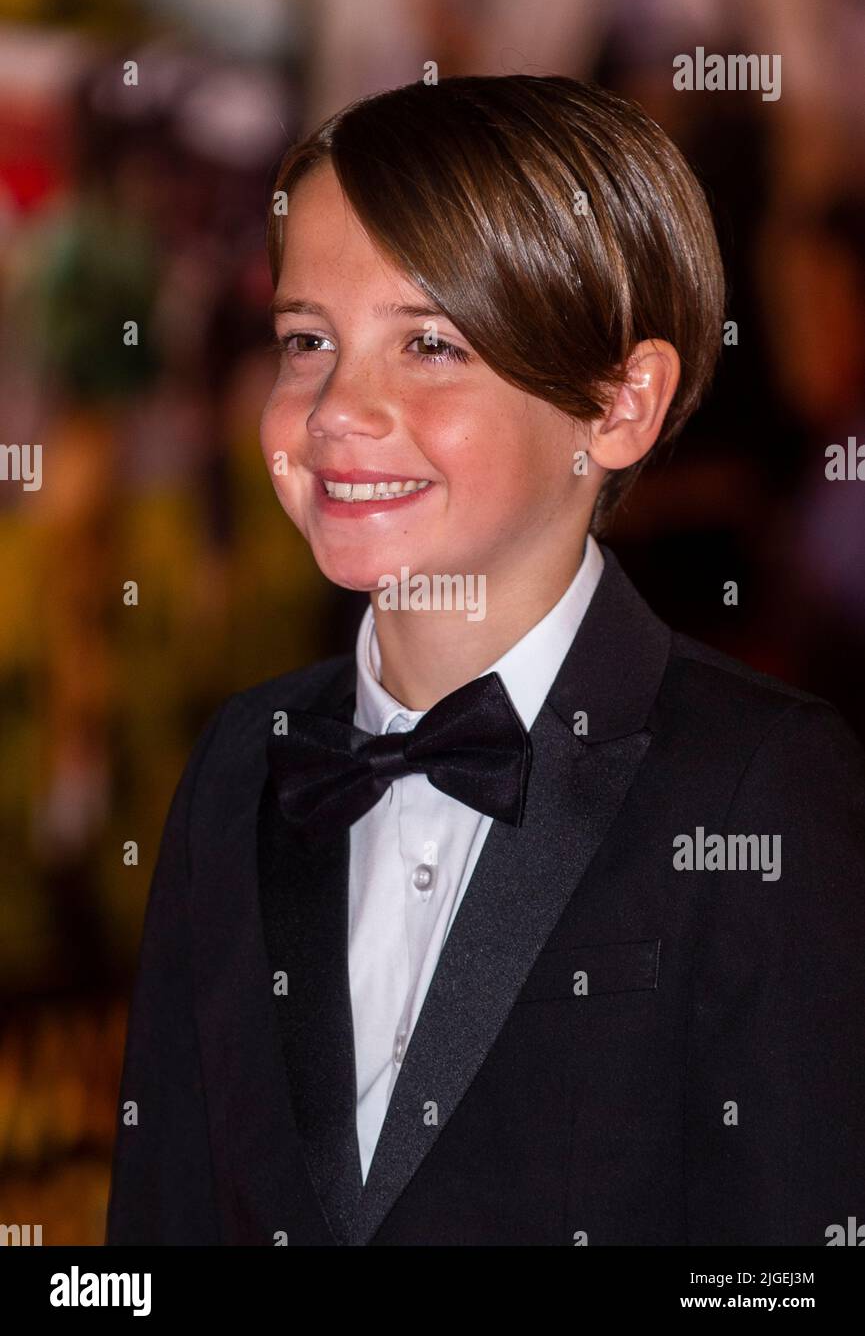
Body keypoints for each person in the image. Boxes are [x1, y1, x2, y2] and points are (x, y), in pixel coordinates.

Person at [105, 75, 865, 1246]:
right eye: (307, 339)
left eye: (430, 343)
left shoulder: (759, 782)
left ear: (618, 401)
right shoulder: (237, 767)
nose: (336, 409)